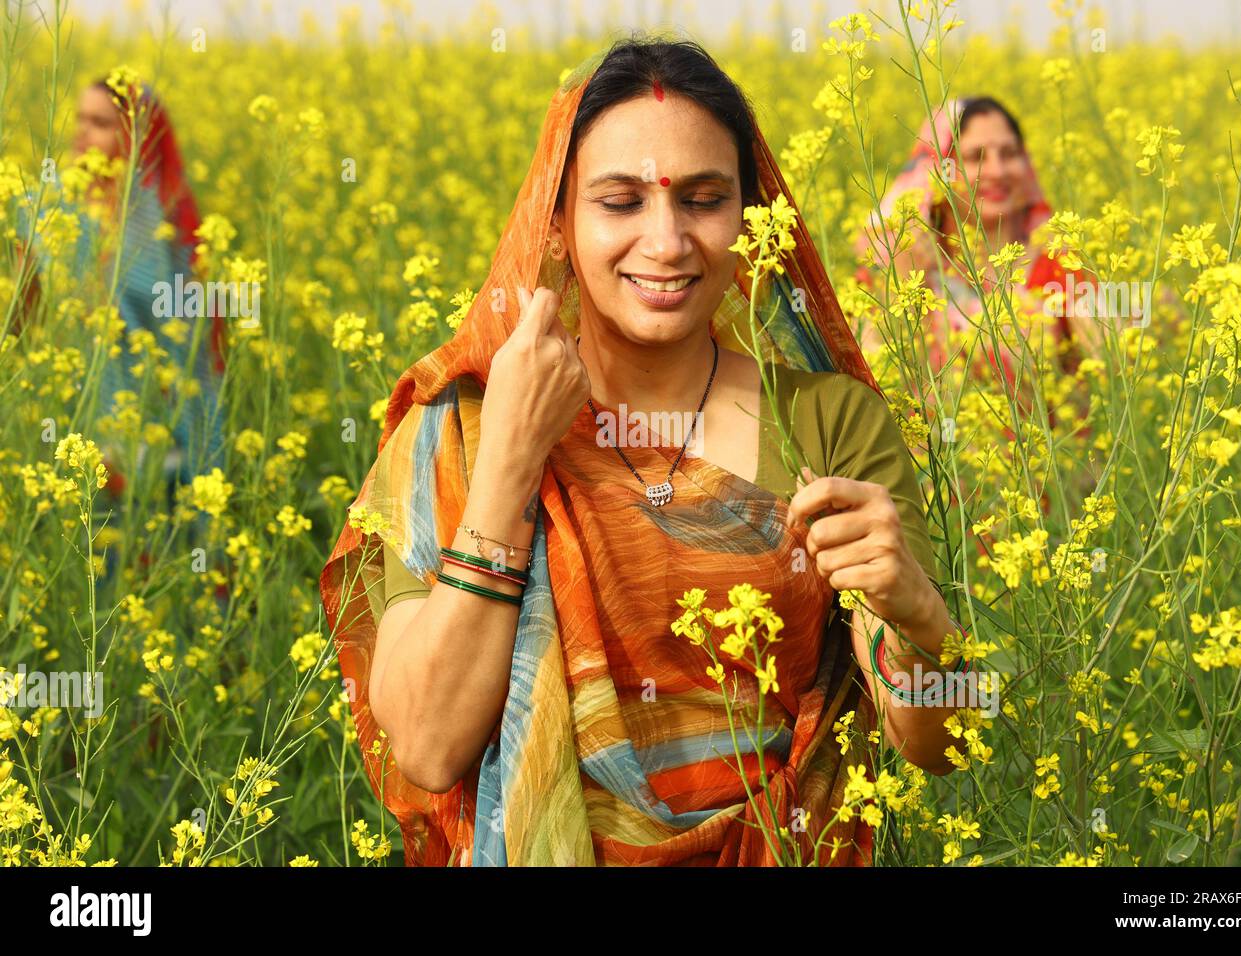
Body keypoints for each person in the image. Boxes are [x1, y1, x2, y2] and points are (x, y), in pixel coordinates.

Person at [320, 37, 973, 867]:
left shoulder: (826, 424)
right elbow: (425, 746)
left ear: (750, 219)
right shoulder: (467, 427)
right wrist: (511, 468)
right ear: (555, 223)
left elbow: (942, 749)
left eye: (703, 199)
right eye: (620, 202)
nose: (665, 242)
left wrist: (916, 609)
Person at [20, 77, 227, 498]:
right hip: (62, 416)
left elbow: (192, 352)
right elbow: (22, 314)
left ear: (140, 135)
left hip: (150, 437)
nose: (82, 132)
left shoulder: (166, 225)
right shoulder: (47, 206)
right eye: (79, 118)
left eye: (100, 122)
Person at [854, 97, 1098, 407]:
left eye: (1009, 154)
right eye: (974, 157)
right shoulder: (905, 267)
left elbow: (1110, 366)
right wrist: (903, 277)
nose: (996, 171)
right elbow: (879, 379)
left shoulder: (1057, 259)